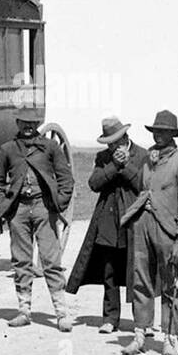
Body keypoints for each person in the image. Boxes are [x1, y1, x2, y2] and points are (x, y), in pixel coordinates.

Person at [117, 111, 178, 355]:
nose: (158, 135)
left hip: (167, 230)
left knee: (170, 283)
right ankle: (140, 334)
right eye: (155, 131)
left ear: (174, 134)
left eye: (164, 131)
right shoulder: (149, 160)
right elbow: (143, 188)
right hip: (143, 226)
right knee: (140, 280)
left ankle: (171, 337)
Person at [0, 103, 75, 330]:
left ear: (37, 124)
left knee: (51, 260)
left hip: (43, 208)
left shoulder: (49, 147)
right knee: (21, 260)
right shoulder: (7, 149)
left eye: (32, 123)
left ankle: (61, 313)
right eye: (24, 123)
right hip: (18, 210)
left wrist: (59, 203)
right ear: (17, 123)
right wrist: (3, 206)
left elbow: (66, 178)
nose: (28, 127)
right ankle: (24, 310)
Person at [66, 116, 146, 334]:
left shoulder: (142, 155)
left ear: (126, 137)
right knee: (109, 271)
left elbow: (143, 184)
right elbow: (94, 183)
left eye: (116, 142)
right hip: (109, 221)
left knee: (138, 271)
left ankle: (142, 320)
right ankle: (110, 318)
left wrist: (127, 165)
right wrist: (114, 165)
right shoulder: (103, 157)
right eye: (110, 143)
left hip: (134, 220)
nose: (113, 146)